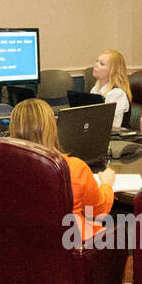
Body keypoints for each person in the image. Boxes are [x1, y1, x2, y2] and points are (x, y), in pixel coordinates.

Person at [9, 98, 114, 239]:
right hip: (73, 250)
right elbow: (98, 210)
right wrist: (107, 185)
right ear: (52, 128)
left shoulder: (4, 171)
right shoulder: (74, 168)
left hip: (25, 251)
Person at [91, 49, 133, 130]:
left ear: (113, 71)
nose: (96, 65)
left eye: (102, 64)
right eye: (97, 61)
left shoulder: (117, 93)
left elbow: (114, 127)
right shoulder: (95, 89)